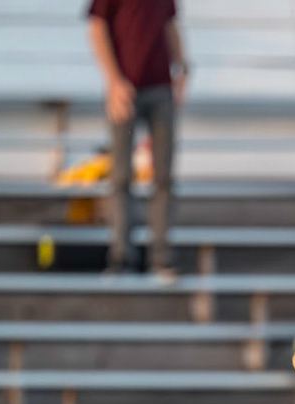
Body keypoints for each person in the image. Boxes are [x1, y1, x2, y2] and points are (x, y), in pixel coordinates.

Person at [85, 0, 187, 280]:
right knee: (121, 176)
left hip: (161, 90)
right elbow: (97, 28)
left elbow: (170, 25)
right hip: (126, 93)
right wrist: (113, 81)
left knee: (163, 178)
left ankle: (161, 258)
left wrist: (183, 68)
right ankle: (121, 258)